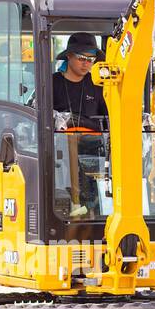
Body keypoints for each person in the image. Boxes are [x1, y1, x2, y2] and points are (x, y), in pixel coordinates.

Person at [51, 33, 107, 218]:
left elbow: (108, 121)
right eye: (82, 58)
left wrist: (81, 121)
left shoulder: (97, 86)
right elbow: (35, 116)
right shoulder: (52, 84)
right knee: (68, 142)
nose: (86, 64)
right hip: (58, 151)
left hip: (94, 146)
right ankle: (75, 201)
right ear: (69, 56)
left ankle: (92, 202)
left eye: (90, 59)